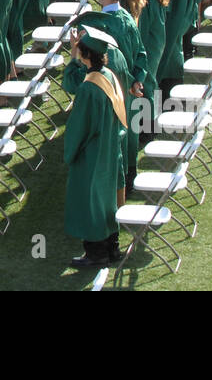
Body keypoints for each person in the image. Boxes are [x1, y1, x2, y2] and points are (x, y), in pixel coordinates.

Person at [63, 25, 127, 267]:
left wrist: (71, 152)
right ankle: (112, 248)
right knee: (107, 199)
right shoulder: (109, 76)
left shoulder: (91, 88)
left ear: (86, 55)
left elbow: (80, 127)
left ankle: (96, 254)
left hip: (92, 152)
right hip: (110, 148)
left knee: (91, 200)